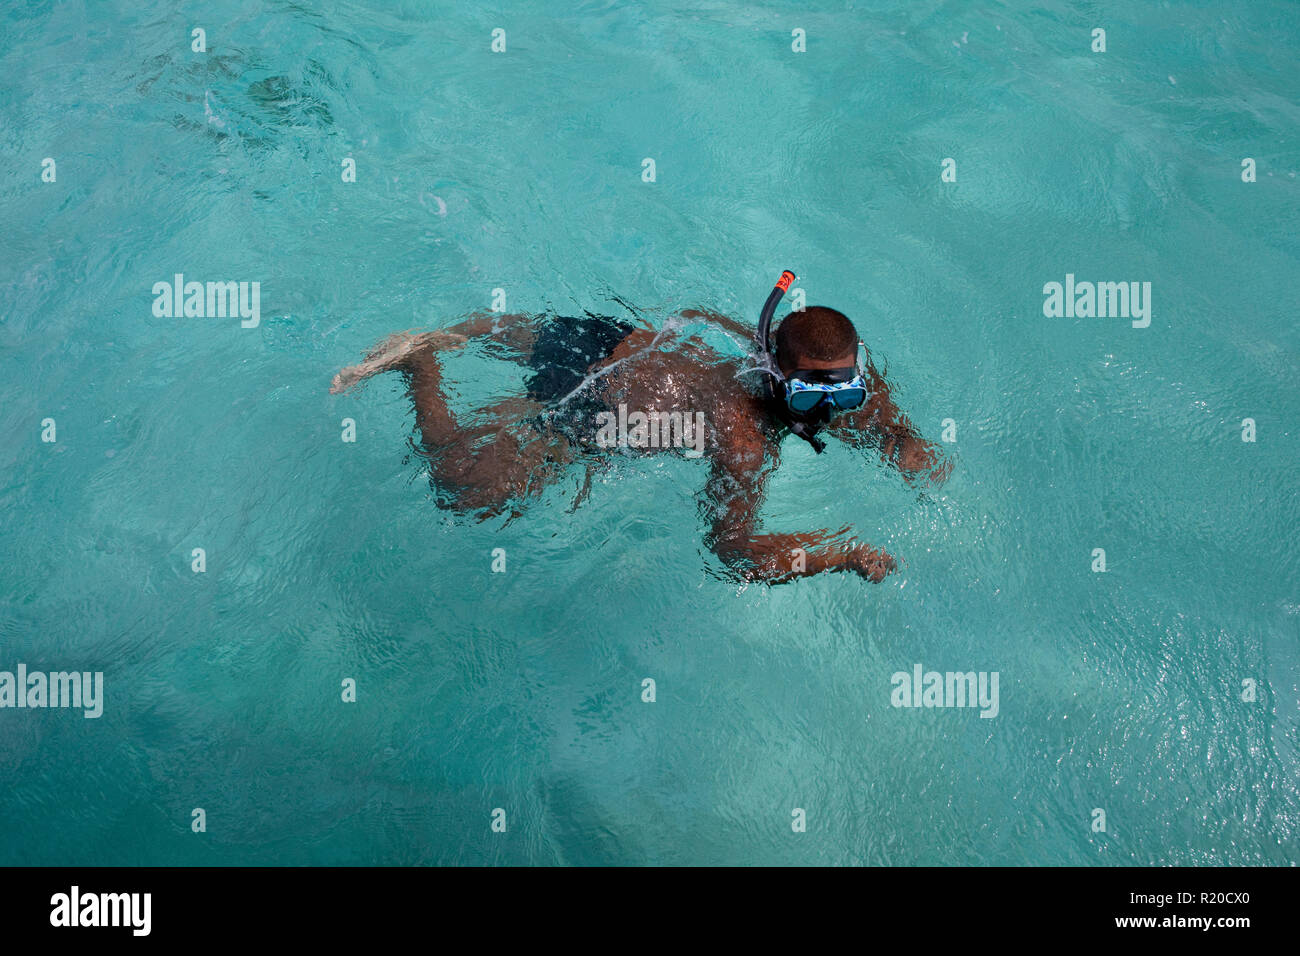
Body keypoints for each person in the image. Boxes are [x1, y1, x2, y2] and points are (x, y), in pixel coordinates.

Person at [330, 275, 950, 584]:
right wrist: (836, 558)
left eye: (842, 391)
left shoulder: (841, 381)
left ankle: (442, 336)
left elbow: (886, 425)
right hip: (592, 405)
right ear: (771, 373)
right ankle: (420, 364)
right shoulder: (742, 439)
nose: (828, 409)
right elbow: (731, 552)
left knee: (503, 336)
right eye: (809, 392)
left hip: (609, 337)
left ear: (857, 370)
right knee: (465, 493)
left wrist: (912, 451)